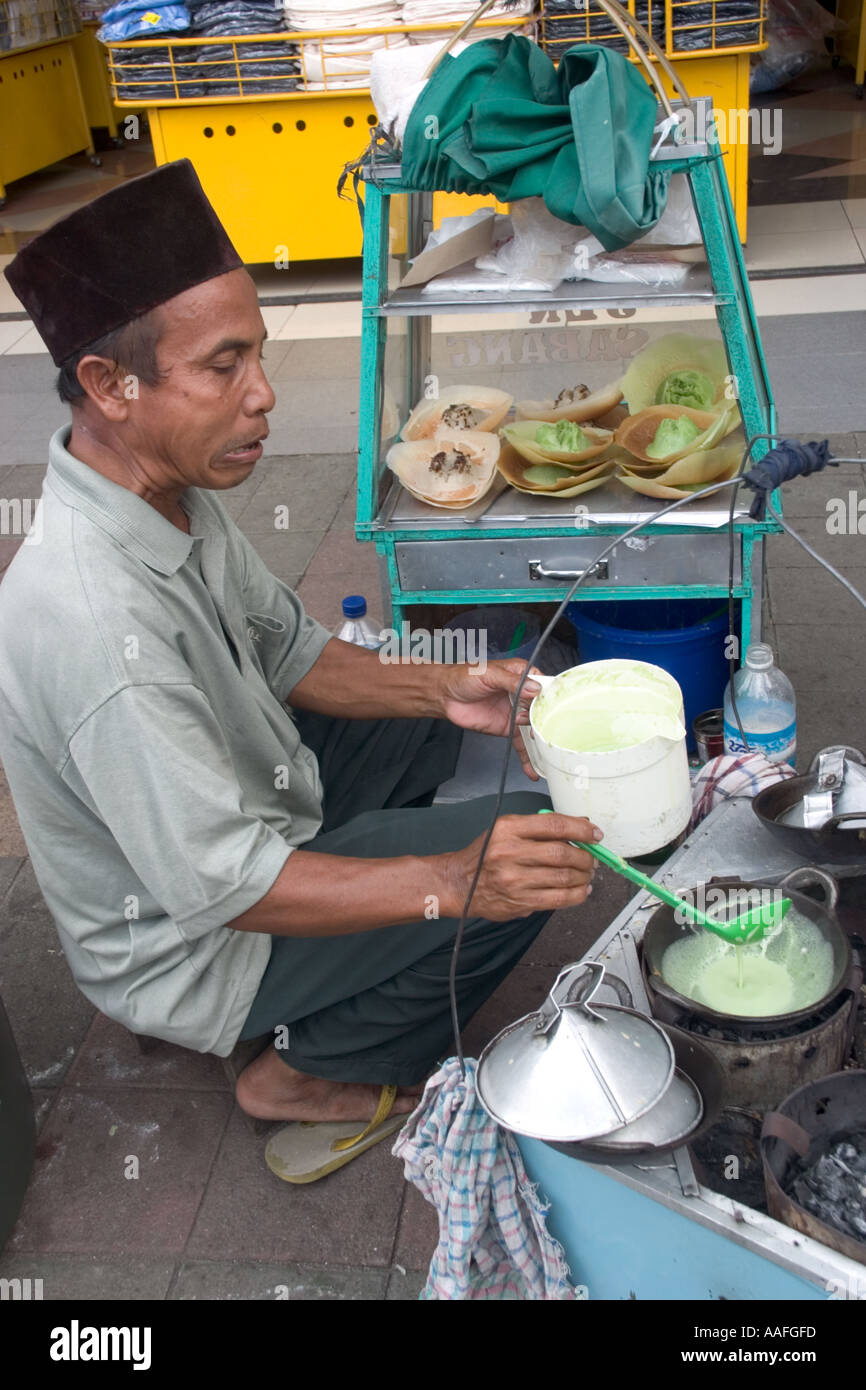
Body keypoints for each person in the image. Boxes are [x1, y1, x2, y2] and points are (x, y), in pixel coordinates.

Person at [0, 160, 601, 1180]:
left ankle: (361, 883)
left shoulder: (165, 488)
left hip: (249, 804)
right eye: (223, 366)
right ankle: (303, 1068)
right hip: (192, 933)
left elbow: (286, 650)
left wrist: (442, 689)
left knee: (459, 668)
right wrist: (455, 878)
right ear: (110, 386)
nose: (263, 396)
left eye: (259, 356)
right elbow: (225, 881)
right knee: (531, 871)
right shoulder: (96, 626)